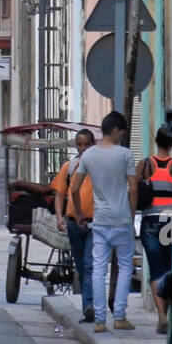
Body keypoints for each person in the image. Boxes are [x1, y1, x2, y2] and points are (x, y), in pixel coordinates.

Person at [70, 111, 138, 332]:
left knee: (98, 269)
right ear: (116, 130)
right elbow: (134, 188)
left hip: (100, 221)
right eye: (122, 132)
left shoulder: (89, 156)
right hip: (122, 220)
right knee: (126, 266)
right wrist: (131, 214)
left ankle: (100, 320)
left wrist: (79, 213)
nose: (122, 136)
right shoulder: (125, 154)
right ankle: (119, 316)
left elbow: (75, 188)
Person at [136, 126, 172, 335]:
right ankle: (167, 314)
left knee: (156, 270)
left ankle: (161, 316)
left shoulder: (145, 165)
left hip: (150, 221)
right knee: (171, 271)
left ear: (155, 140)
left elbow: (134, 190)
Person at [52, 128, 96, 322]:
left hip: (95, 224)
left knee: (89, 265)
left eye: (87, 144)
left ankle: (89, 306)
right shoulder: (69, 167)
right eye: (80, 144)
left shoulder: (98, 167)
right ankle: (88, 304)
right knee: (80, 265)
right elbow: (60, 194)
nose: (83, 148)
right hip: (73, 224)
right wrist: (59, 217)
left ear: (93, 145)